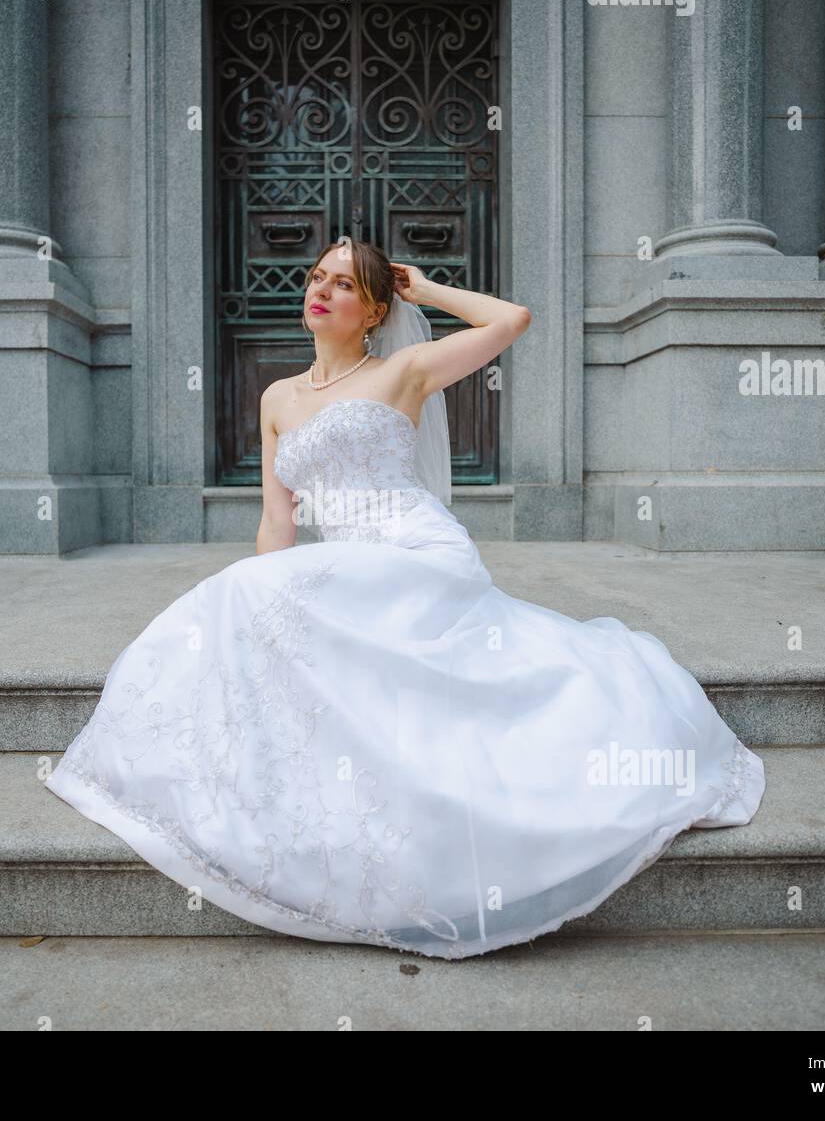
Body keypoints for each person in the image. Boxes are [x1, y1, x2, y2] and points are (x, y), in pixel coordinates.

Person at [45, 236, 765, 960]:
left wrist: (427, 290)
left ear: (376, 309)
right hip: (345, 565)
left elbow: (511, 320)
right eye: (316, 277)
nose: (321, 290)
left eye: (345, 284)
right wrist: (265, 601)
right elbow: (277, 522)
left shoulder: (404, 371)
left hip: (418, 552)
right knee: (235, 600)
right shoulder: (275, 399)